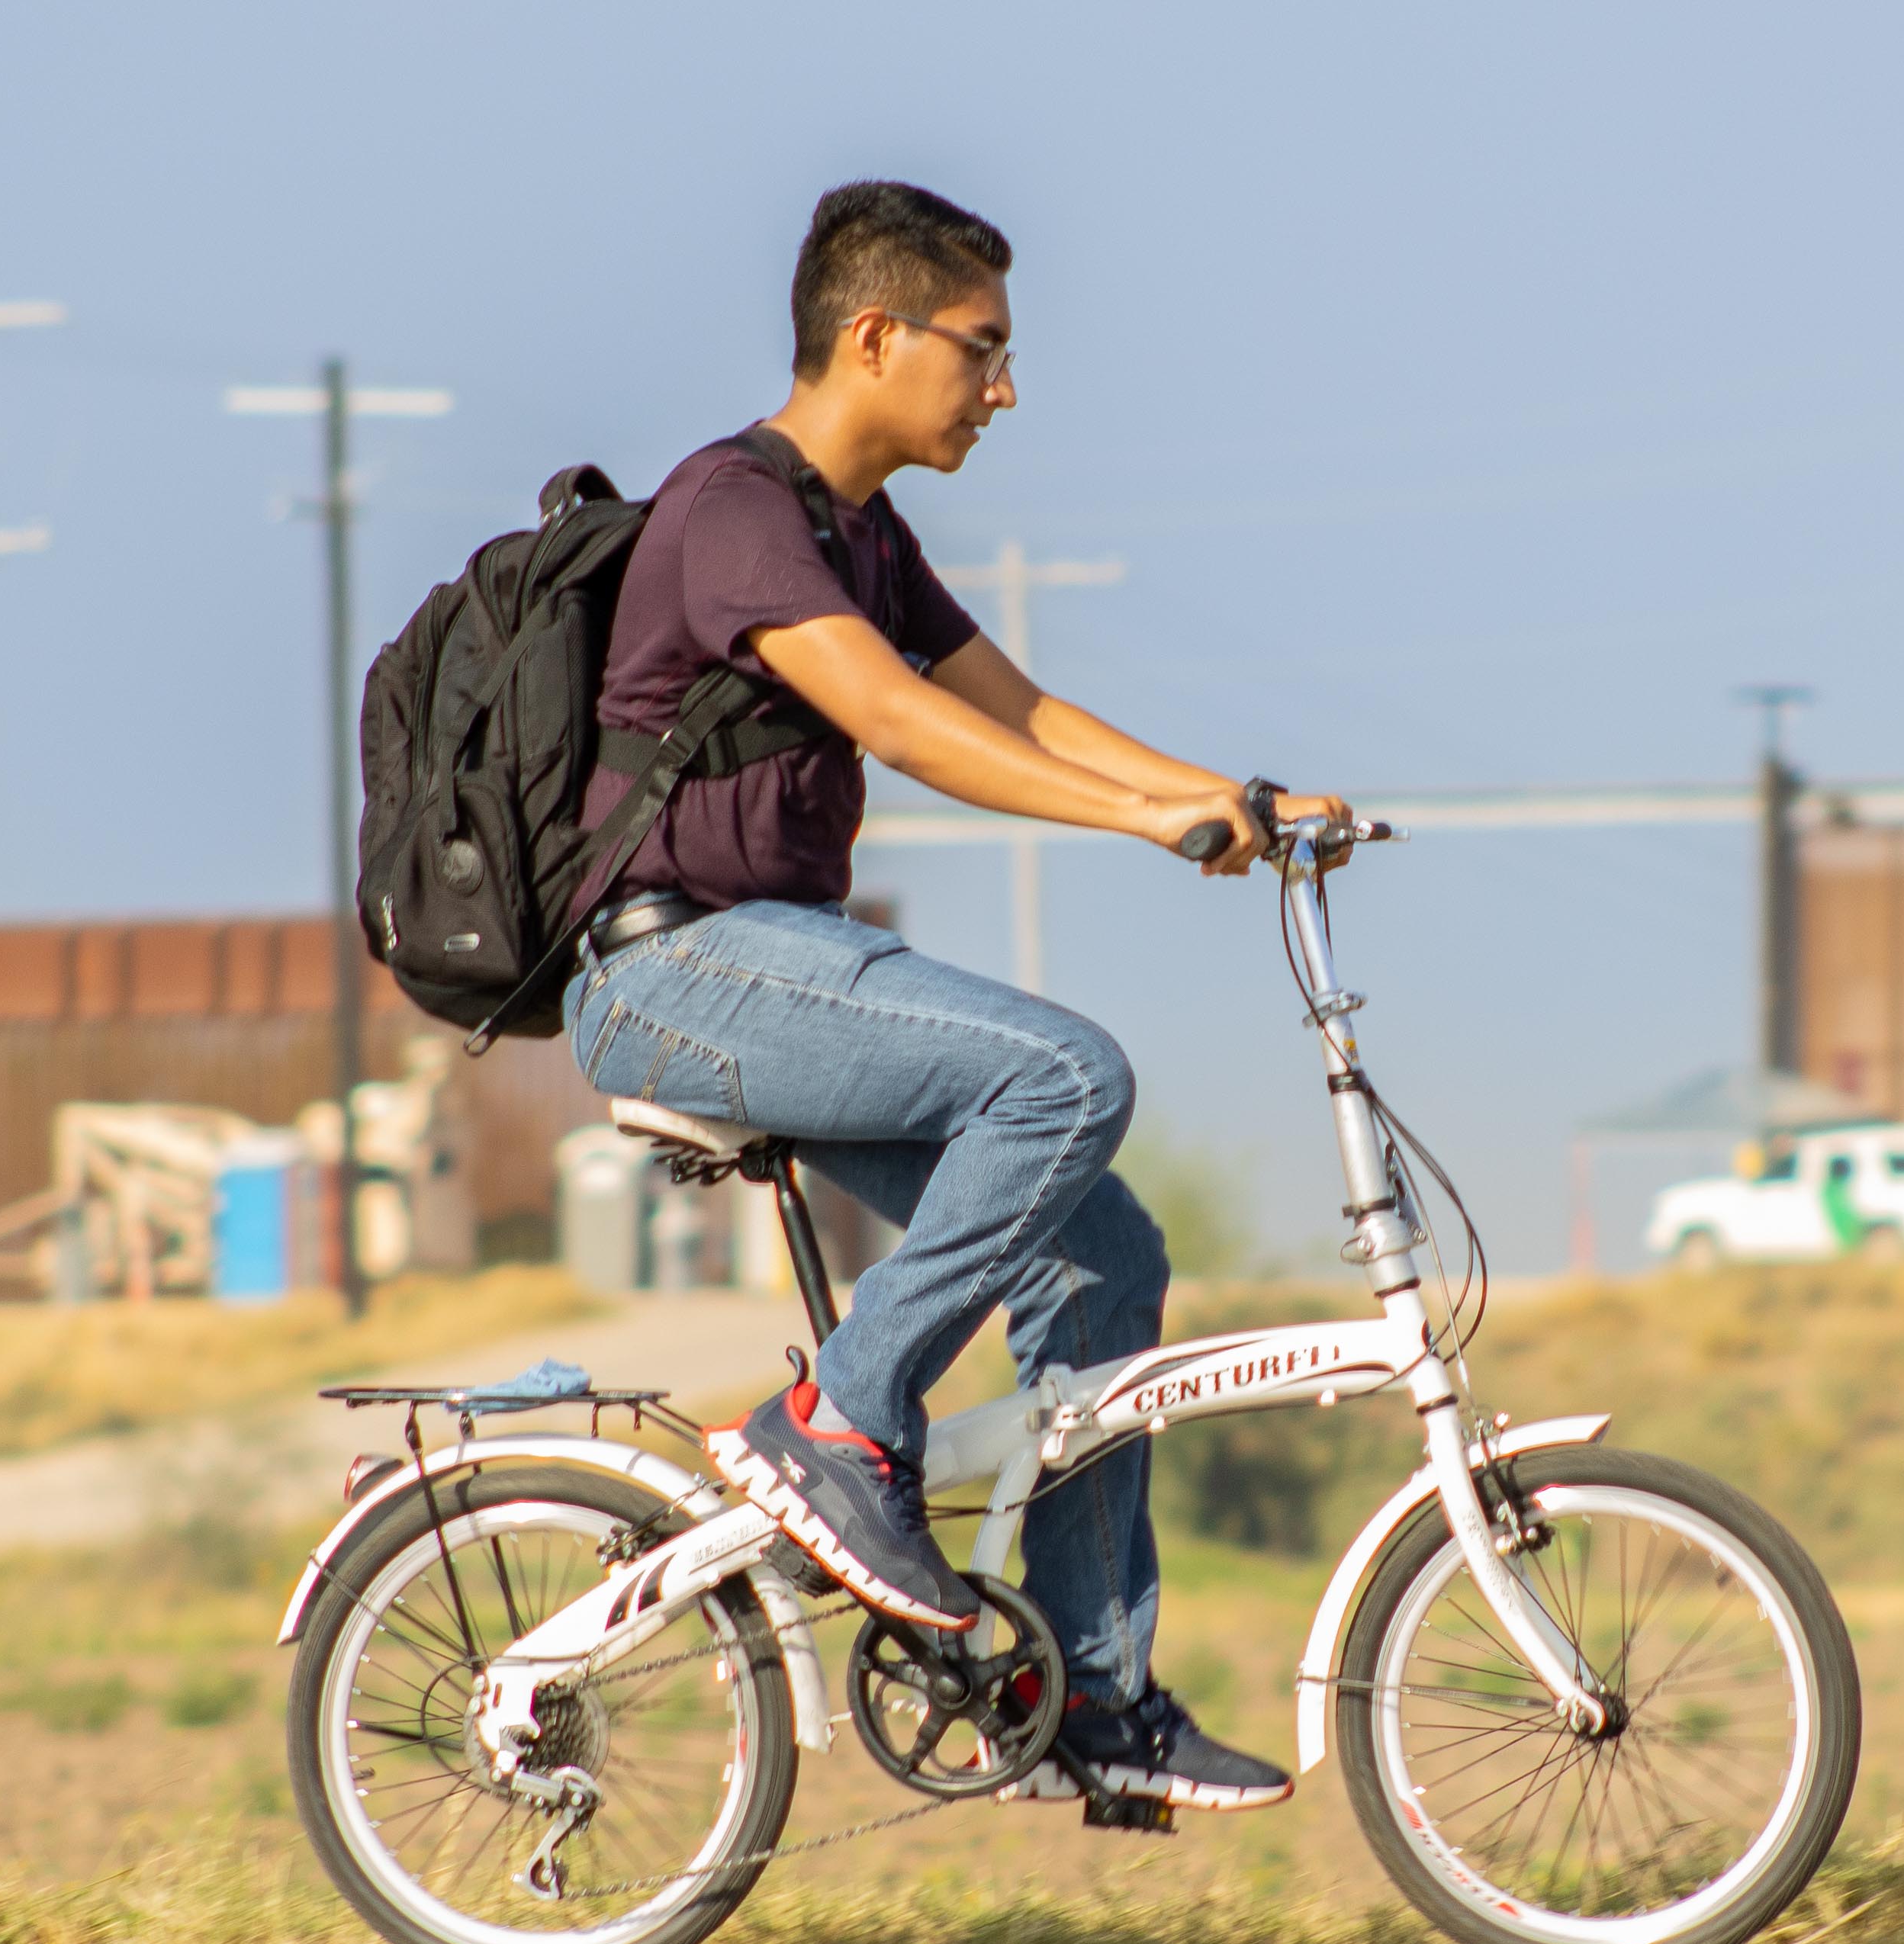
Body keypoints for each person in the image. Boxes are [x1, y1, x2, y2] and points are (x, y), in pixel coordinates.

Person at [567, 181, 1347, 1814]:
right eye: (981, 349)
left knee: (1102, 1254)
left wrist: (1235, 799)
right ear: (875, 335)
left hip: (783, 965)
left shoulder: (862, 531)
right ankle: (838, 1421)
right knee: (1066, 1077)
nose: (1003, 388)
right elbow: (908, 726)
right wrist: (1142, 825)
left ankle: (1091, 1699)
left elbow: (1020, 709)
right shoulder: (734, 511)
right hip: (677, 970)